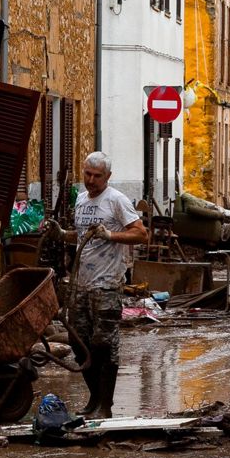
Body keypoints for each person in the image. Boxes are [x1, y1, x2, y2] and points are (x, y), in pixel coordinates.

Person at [49, 152, 148, 419]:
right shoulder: (81, 199)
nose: (91, 180)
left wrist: (110, 234)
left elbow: (141, 233)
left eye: (97, 176)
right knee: (78, 342)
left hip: (107, 285)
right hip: (81, 284)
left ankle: (105, 405)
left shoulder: (116, 200)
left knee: (103, 345)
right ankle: (94, 398)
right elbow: (83, 237)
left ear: (108, 177)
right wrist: (62, 234)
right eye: (88, 174)